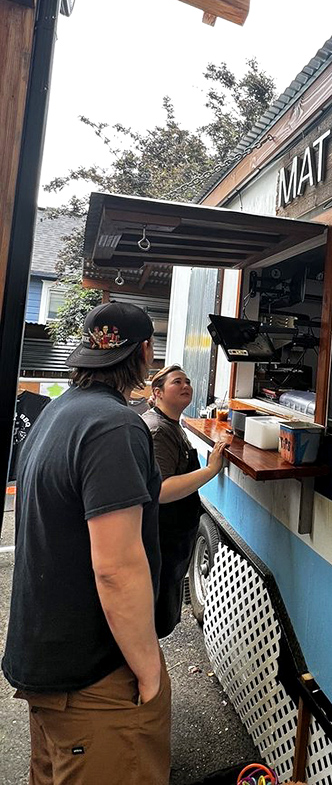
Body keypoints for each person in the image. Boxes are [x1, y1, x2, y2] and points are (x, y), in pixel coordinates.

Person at [2, 301, 170, 785]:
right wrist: (149, 674)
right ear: (144, 352)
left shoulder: (60, 412)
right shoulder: (115, 427)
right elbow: (116, 568)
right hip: (96, 678)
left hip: (48, 664)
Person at [142, 365, 226, 637]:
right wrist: (210, 470)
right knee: (154, 615)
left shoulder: (171, 424)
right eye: (177, 382)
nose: (186, 385)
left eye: (188, 381)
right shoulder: (159, 430)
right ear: (158, 393)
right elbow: (163, 490)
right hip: (163, 535)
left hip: (175, 535)